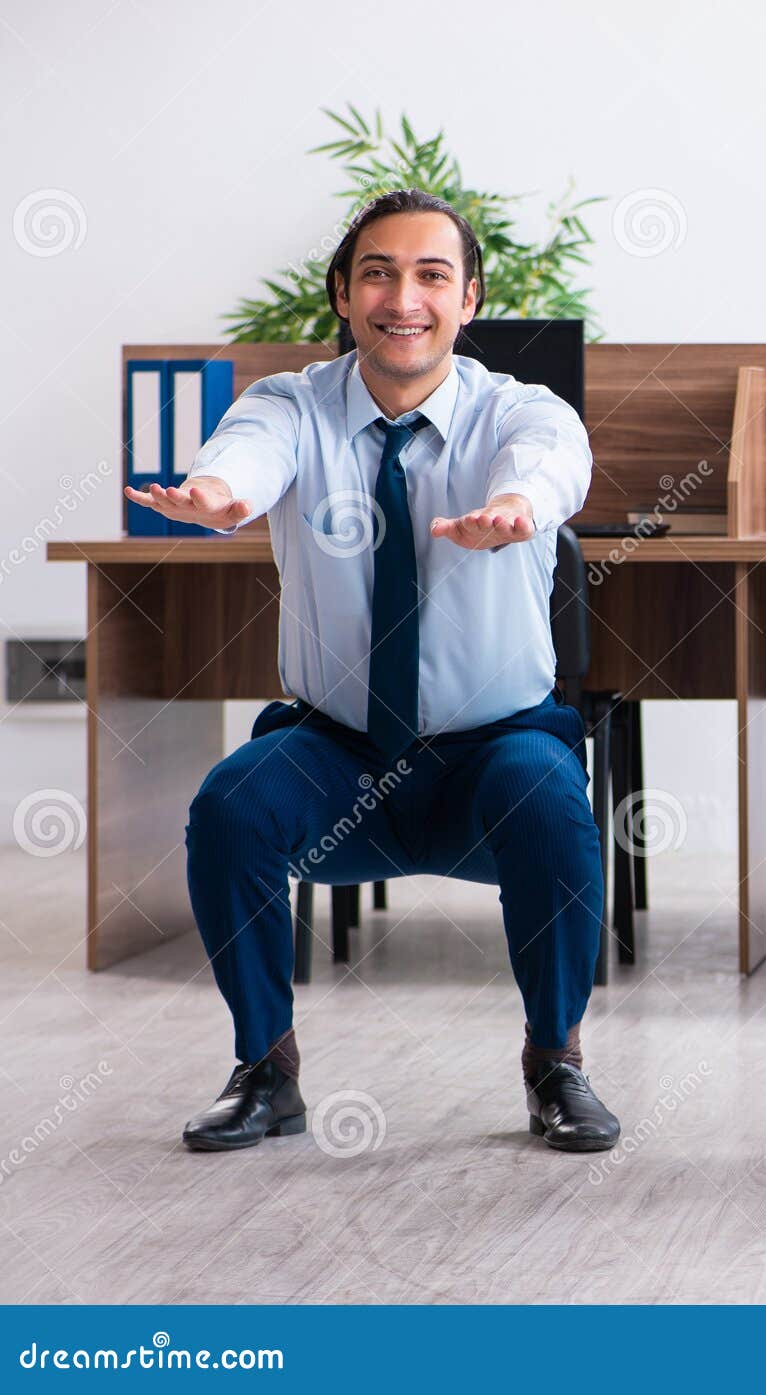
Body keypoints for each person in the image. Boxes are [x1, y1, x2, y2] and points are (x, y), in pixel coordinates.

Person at [125, 189, 621, 1154]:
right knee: (231, 804)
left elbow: (555, 462)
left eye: (433, 275)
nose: (406, 297)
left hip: (494, 753)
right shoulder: (292, 404)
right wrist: (221, 494)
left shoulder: (520, 411)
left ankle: (555, 1063)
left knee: (552, 798)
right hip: (338, 751)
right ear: (344, 296)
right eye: (379, 274)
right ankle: (267, 1070)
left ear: (469, 299)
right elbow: (249, 456)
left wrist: (519, 504)